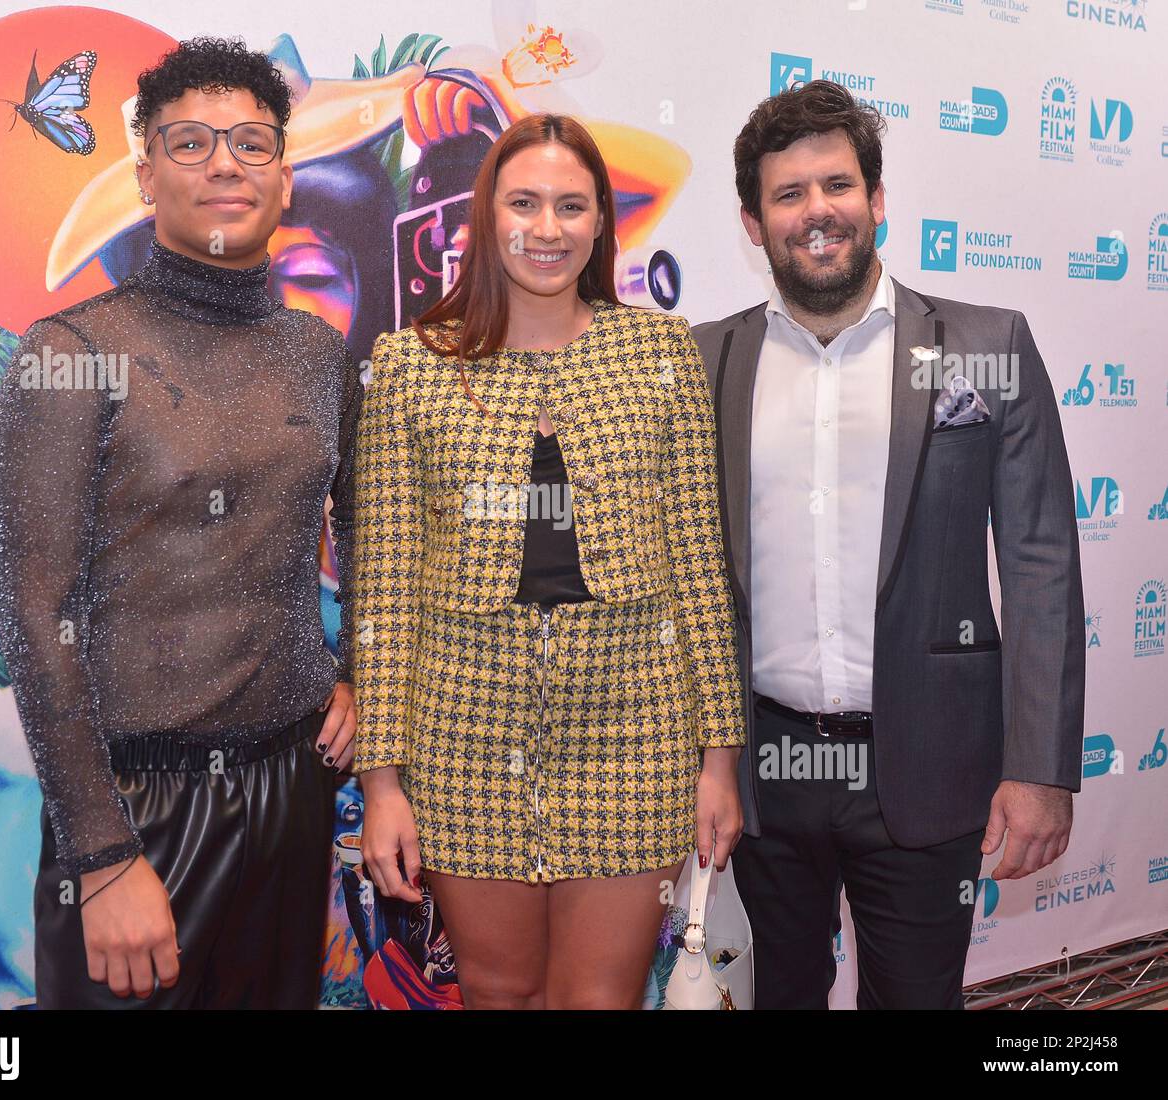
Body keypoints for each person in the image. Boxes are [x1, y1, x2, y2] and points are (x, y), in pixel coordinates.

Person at [0, 37, 361, 1009]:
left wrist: (359, 666)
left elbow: (368, 525)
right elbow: (35, 614)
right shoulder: (70, 355)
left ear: (285, 173)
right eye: (191, 142)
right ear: (146, 172)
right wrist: (102, 854)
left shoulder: (315, 351)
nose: (225, 162)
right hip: (134, 806)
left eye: (251, 141)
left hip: (291, 790)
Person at [692, 79, 1085, 1009]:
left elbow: (1039, 562)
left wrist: (1038, 769)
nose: (815, 211)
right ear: (753, 223)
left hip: (928, 765)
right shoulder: (703, 362)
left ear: (877, 201)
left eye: (836, 185)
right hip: (766, 770)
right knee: (778, 997)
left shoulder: (985, 346)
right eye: (788, 195)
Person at [351, 113, 745, 1010]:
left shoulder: (659, 355)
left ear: (602, 221)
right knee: (496, 989)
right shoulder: (413, 366)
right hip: (463, 734)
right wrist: (383, 783)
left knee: (599, 998)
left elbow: (696, 567)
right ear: (485, 217)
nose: (547, 227)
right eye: (523, 202)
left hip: (633, 727)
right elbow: (382, 590)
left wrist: (718, 761)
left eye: (572, 205)